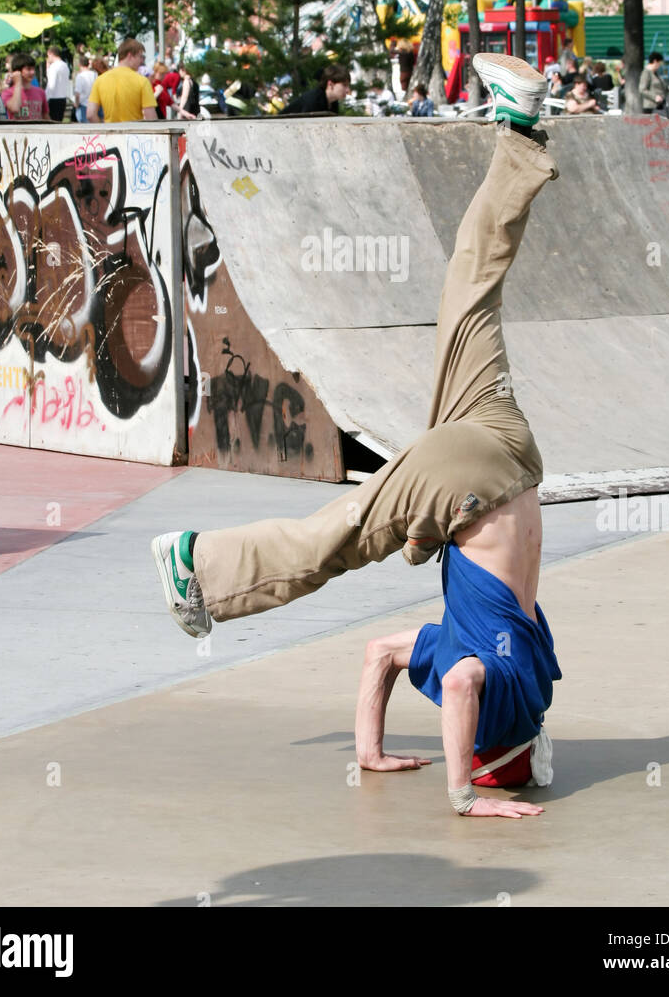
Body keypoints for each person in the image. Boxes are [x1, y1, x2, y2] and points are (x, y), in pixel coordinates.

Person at [152, 53, 561, 819]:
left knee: (470, 291)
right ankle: (196, 564)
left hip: (509, 448)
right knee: (329, 541)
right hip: (469, 480)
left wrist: (369, 750)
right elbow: (467, 685)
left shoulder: (535, 677)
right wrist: (463, 793)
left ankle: (519, 132)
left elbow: (383, 654)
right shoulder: (494, 691)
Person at [86, 38, 157, 124]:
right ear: (130, 56)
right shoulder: (142, 81)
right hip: (134, 134)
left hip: (110, 134)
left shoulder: (100, 80)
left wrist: (103, 130)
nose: (141, 61)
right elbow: (151, 118)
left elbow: (90, 114)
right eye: (140, 56)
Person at [282, 66, 352, 114]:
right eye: (344, 85)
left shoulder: (333, 103)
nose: (347, 90)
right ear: (330, 84)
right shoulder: (313, 100)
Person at [2, 54, 49, 121]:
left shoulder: (40, 92)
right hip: (17, 130)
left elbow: (45, 116)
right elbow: (15, 108)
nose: (32, 72)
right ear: (18, 71)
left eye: (33, 69)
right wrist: (18, 83)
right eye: (28, 69)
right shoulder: (7, 93)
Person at [45, 45, 71, 122]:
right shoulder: (65, 65)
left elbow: (51, 85)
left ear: (50, 53)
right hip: (62, 97)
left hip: (53, 99)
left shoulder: (54, 66)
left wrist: (45, 98)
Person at [72, 55, 97, 124]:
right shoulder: (94, 74)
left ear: (80, 65)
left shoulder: (80, 76)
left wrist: (76, 104)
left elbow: (77, 93)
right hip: (93, 103)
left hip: (83, 104)